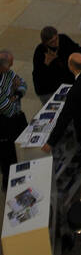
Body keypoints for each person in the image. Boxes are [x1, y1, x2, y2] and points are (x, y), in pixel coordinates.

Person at [0, 51, 28, 187]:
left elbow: (23, 84)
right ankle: (9, 185)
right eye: (9, 66)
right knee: (9, 158)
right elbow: (8, 110)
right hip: (4, 127)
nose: (11, 69)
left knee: (24, 145)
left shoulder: (8, 74)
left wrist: (15, 95)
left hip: (17, 119)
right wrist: (14, 94)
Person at [32, 26, 81, 102]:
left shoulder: (63, 39)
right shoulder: (40, 52)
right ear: (45, 43)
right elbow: (38, 77)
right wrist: (46, 64)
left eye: (56, 38)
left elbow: (76, 49)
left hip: (67, 80)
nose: (56, 43)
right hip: (49, 88)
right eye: (52, 42)